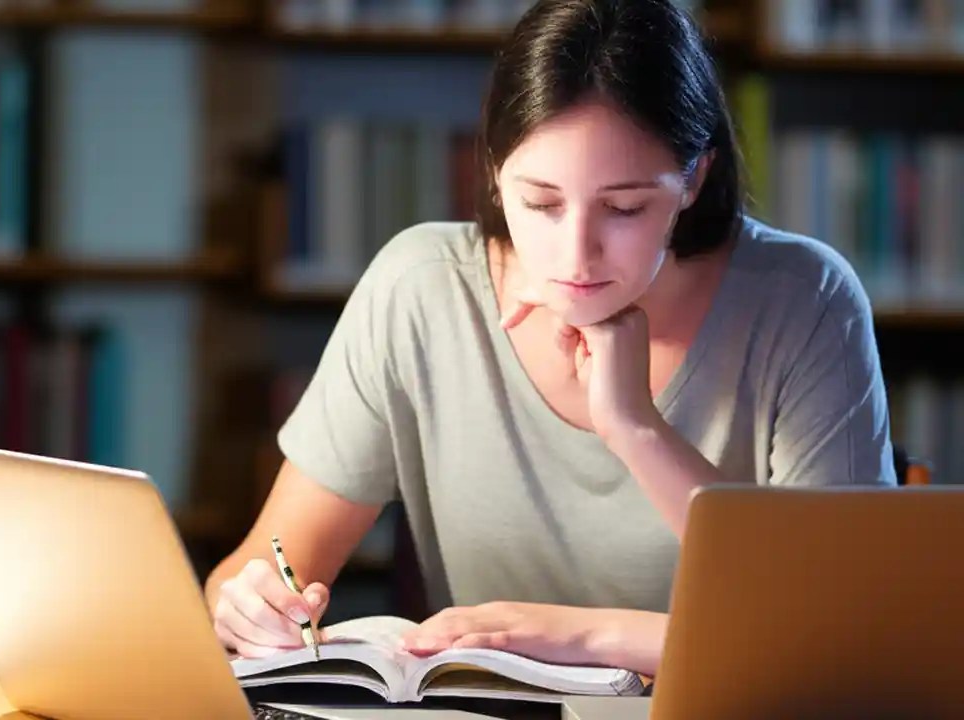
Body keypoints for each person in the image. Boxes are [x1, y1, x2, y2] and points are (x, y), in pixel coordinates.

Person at [204, 0, 896, 676]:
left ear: (694, 178)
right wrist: (249, 608)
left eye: (624, 208)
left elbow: (840, 629)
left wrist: (632, 430)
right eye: (540, 202)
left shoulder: (805, 299)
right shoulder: (422, 289)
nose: (575, 255)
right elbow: (256, 572)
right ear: (494, 174)